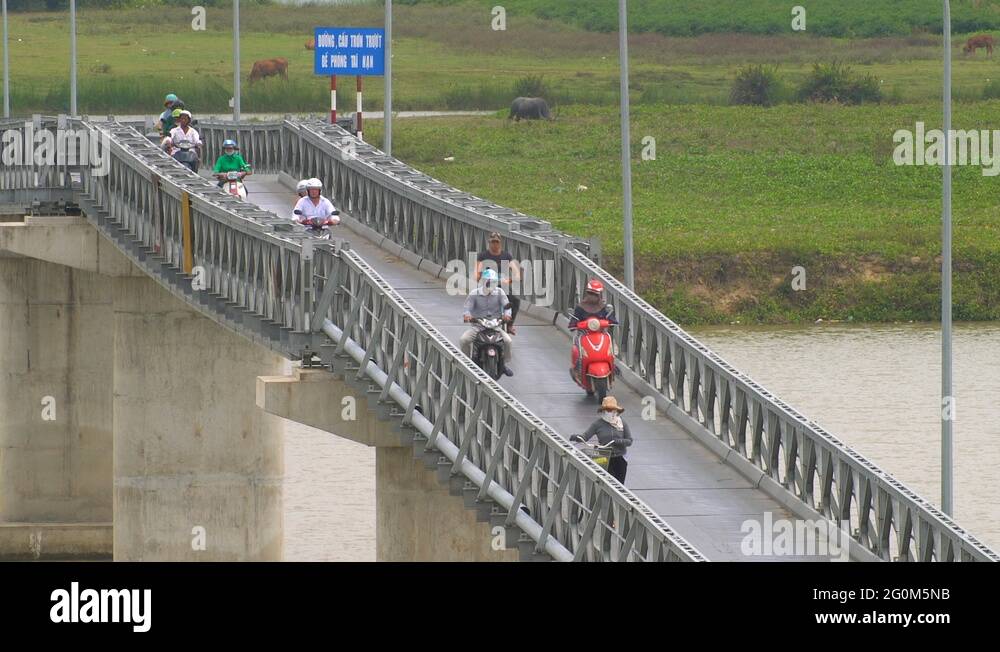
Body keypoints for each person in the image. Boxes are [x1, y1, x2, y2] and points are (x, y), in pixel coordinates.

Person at [460, 268, 514, 376]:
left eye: (493, 282)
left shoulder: (500, 292)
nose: (491, 284)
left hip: (495, 326)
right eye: (489, 282)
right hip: (478, 326)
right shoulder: (474, 294)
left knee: (508, 341)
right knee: (464, 340)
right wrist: (467, 316)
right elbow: (467, 308)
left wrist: (507, 316)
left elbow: (506, 306)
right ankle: (466, 363)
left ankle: (503, 364)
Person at [571, 396, 632, 483]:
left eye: (612, 410)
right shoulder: (597, 424)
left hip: (620, 458)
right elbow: (585, 436)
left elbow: (629, 441)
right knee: (605, 483)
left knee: (620, 484)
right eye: (608, 410)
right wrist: (577, 437)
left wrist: (619, 441)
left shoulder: (622, 423)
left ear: (616, 411)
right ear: (603, 411)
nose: (610, 412)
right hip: (604, 457)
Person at [569, 278, 618, 380]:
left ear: (599, 295)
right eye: (591, 293)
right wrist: (573, 324)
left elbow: (610, 318)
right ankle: (577, 369)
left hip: (601, 334)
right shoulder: (580, 307)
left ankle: (613, 366)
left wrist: (611, 320)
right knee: (578, 349)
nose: (593, 297)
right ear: (587, 293)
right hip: (584, 334)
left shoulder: (604, 307)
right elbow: (574, 320)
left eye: (595, 294)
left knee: (610, 347)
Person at [476, 231, 522, 334]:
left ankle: (510, 324)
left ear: (500, 242)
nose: (495, 244)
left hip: (503, 285)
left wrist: (510, 280)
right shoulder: (483, 256)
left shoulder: (506, 256)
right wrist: (479, 277)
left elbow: (516, 272)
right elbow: (477, 272)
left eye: (497, 242)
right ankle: (478, 324)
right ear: (489, 242)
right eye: (493, 242)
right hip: (487, 285)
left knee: (515, 301)